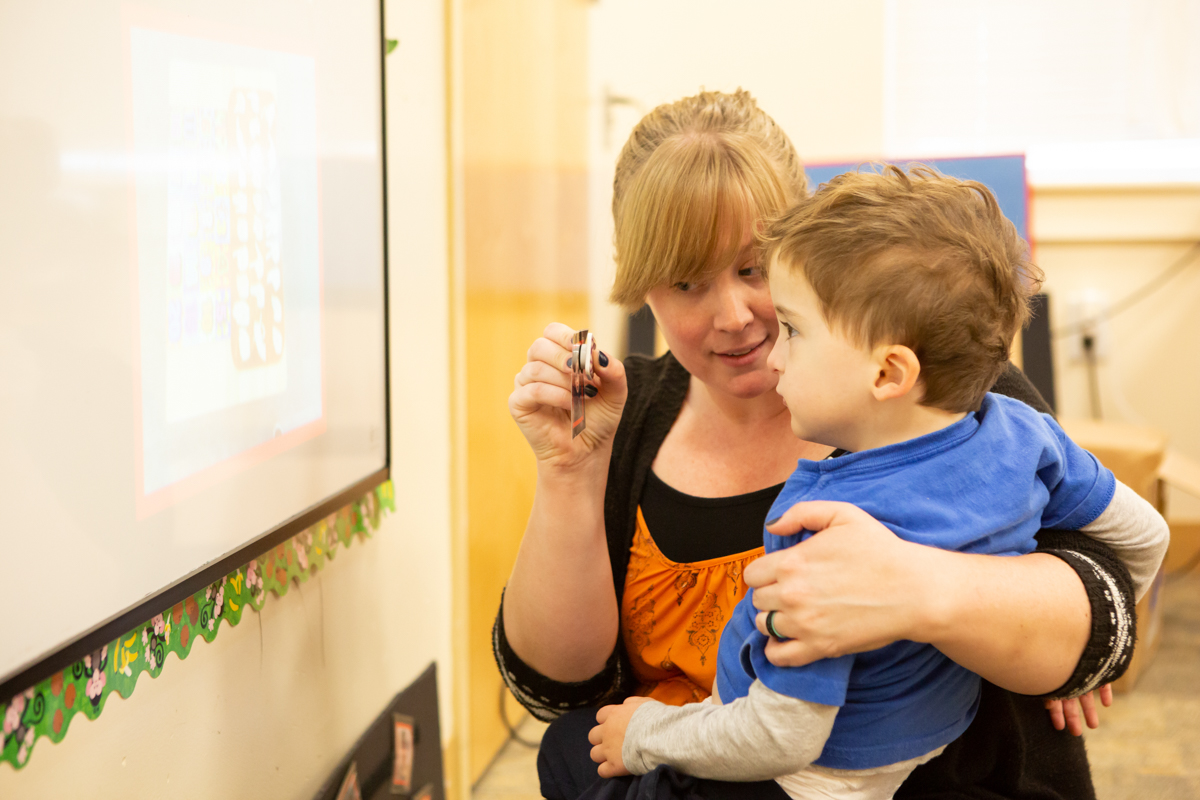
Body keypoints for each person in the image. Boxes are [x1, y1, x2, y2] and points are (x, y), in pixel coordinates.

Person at [496, 89, 1139, 800]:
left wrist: (940, 597)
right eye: (686, 282)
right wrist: (570, 471)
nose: (734, 317)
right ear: (641, 280)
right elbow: (562, 691)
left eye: (752, 268)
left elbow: (1103, 606)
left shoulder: (935, 388)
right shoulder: (626, 417)